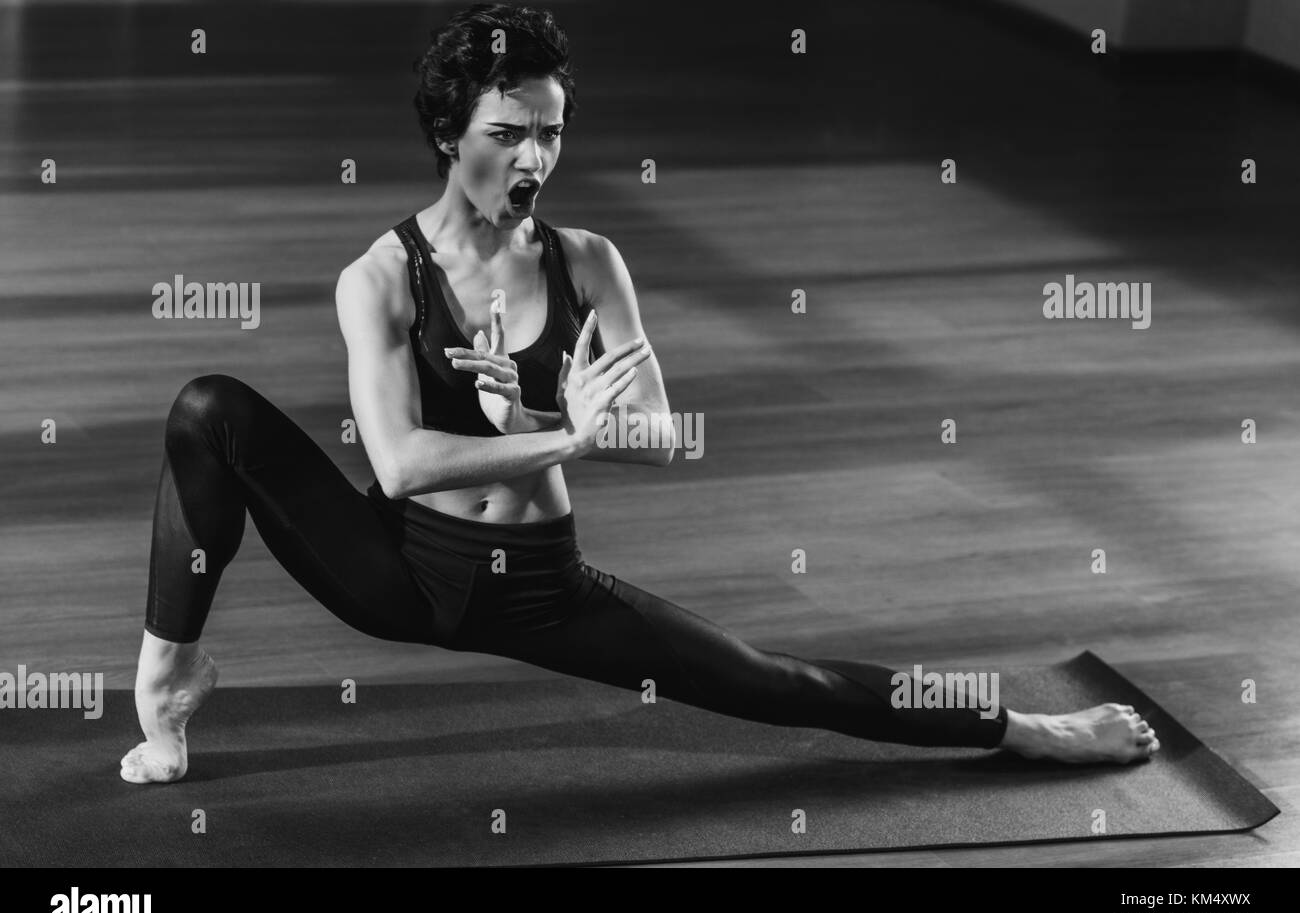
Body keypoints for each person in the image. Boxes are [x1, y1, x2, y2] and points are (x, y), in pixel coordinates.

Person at [121, 3, 1159, 784]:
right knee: (209, 411)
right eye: (507, 134)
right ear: (449, 136)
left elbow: (662, 433)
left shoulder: (587, 263)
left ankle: (1021, 727)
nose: (534, 159)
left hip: (539, 583)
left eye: (551, 134)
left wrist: (546, 428)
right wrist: (560, 435)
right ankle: (169, 676)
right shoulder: (383, 277)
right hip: (398, 570)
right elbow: (397, 465)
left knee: (776, 681)